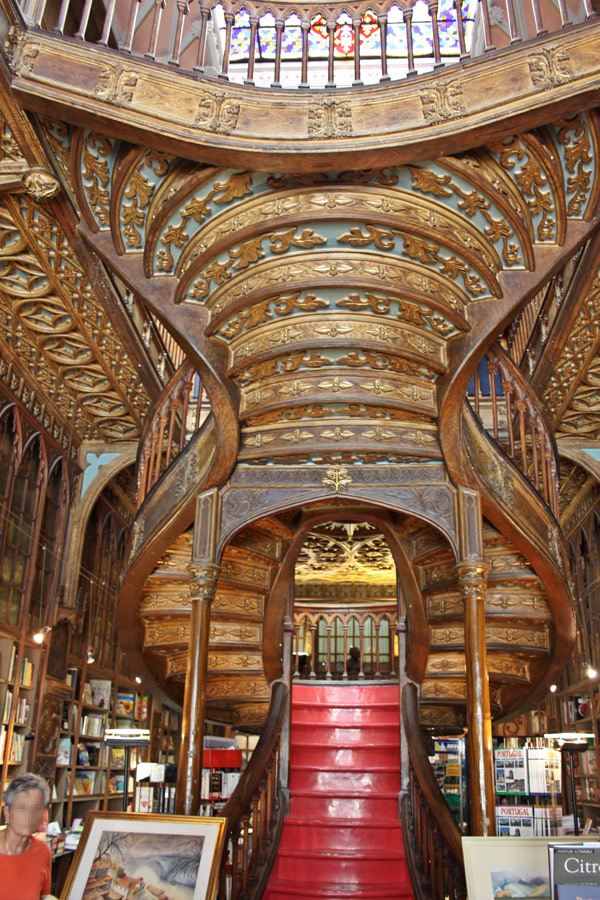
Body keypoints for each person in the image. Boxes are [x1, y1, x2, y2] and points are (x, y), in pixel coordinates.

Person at [0, 773, 52, 900]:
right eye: (22, 808)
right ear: (7, 812)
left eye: (36, 808)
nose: (29, 816)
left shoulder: (42, 851)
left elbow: (44, 897)